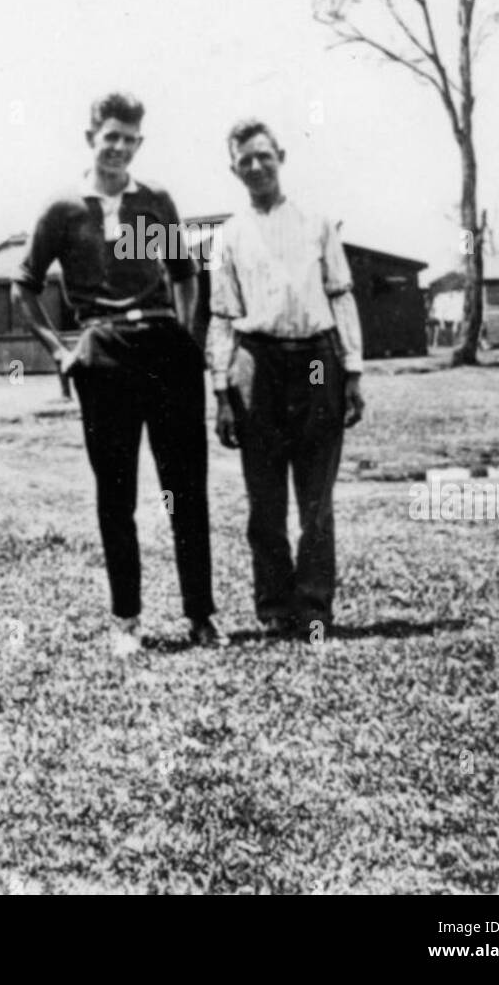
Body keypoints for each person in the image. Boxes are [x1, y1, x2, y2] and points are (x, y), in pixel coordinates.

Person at [14, 92, 225, 656]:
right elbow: (25, 285)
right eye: (111, 137)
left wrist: (186, 337)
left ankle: (201, 616)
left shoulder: (154, 202)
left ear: (139, 144)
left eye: (130, 140)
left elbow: (185, 274)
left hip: (164, 347)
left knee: (185, 490)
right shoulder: (63, 209)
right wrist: (61, 350)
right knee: (117, 494)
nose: (119, 148)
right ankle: (127, 620)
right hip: (103, 351)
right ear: (91, 138)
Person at [206, 119, 365, 638]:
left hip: (317, 359)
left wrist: (354, 372)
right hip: (258, 363)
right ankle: (275, 607)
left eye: (263, 156)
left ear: (281, 156)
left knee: (316, 498)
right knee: (265, 499)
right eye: (244, 160)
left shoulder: (318, 223)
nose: (255, 167)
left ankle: (315, 606)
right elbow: (224, 315)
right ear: (233, 169)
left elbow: (340, 295)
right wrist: (223, 393)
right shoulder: (229, 234)